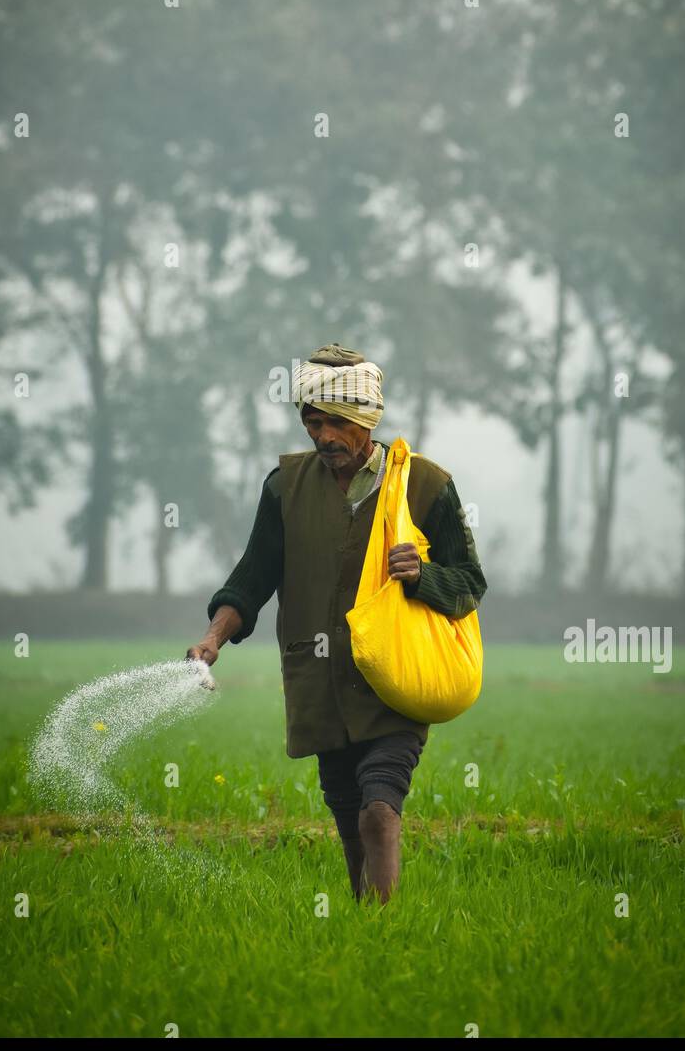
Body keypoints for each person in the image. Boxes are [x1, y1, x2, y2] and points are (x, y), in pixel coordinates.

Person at [186, 343, 487, 903]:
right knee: (349, 817)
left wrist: (423, 575)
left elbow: (470, 581)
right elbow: (252, 578)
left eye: (335, 423)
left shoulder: (425, 486)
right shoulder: (284, 488)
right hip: (319, 681)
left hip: (394, 683)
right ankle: (366, 926)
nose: (323, 436)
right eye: (312, 421)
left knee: (378, 810)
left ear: (365, 420)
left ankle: (381, 925)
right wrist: (212, 639)